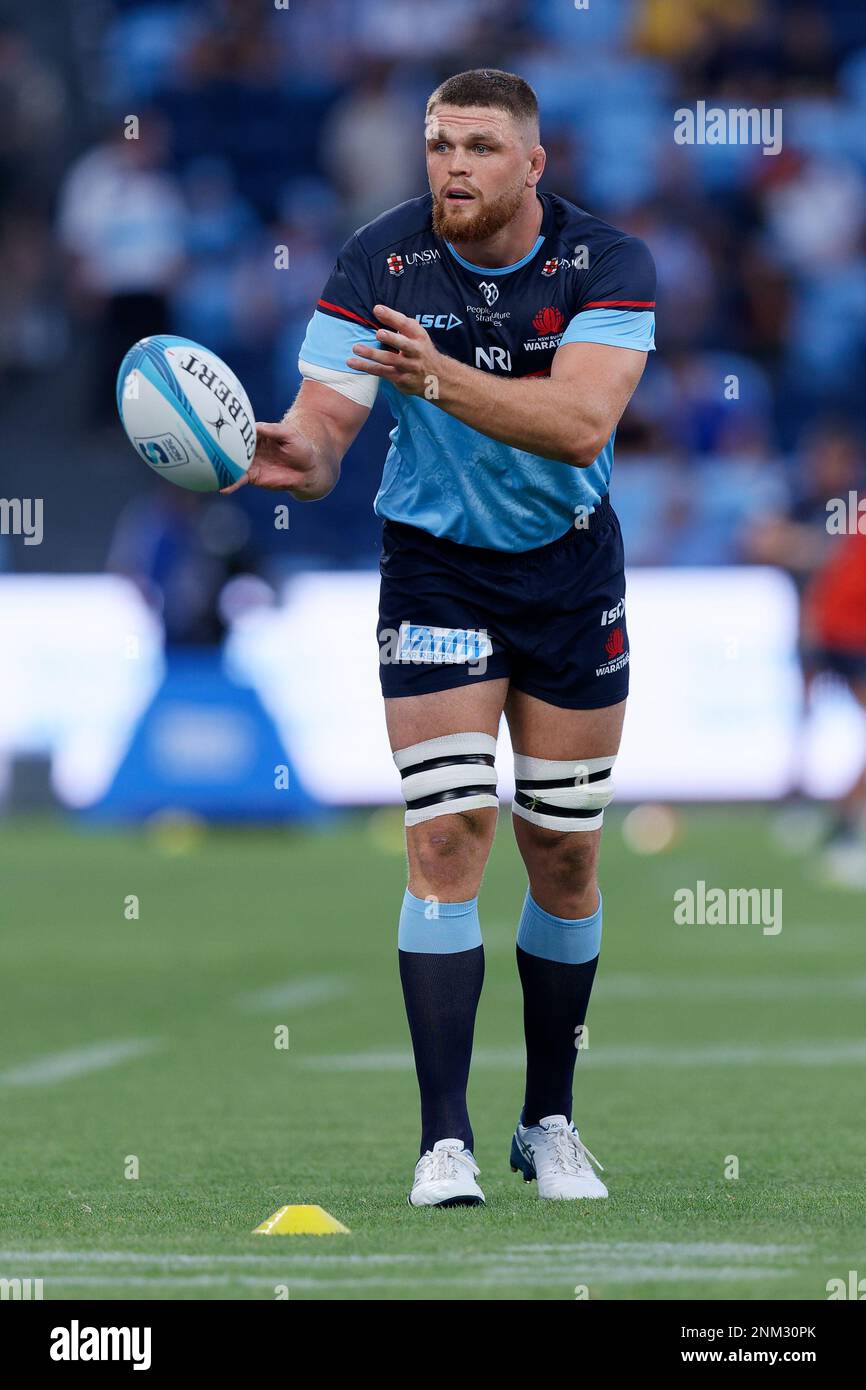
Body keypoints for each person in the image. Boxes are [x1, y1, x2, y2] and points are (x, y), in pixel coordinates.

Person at [223, 68, 655, 1206]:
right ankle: (442, 1141)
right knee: (449, 831)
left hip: (567, 574)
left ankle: (547, 1122)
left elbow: (576, 425)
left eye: (475, 145)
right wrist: (283, 453)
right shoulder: (379, 259)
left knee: (562, 852)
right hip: (435, 568)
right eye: (435, 144)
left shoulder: (607, 265)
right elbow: (325, 432)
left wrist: (439, 373)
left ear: (531, 165)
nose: (450, 165)